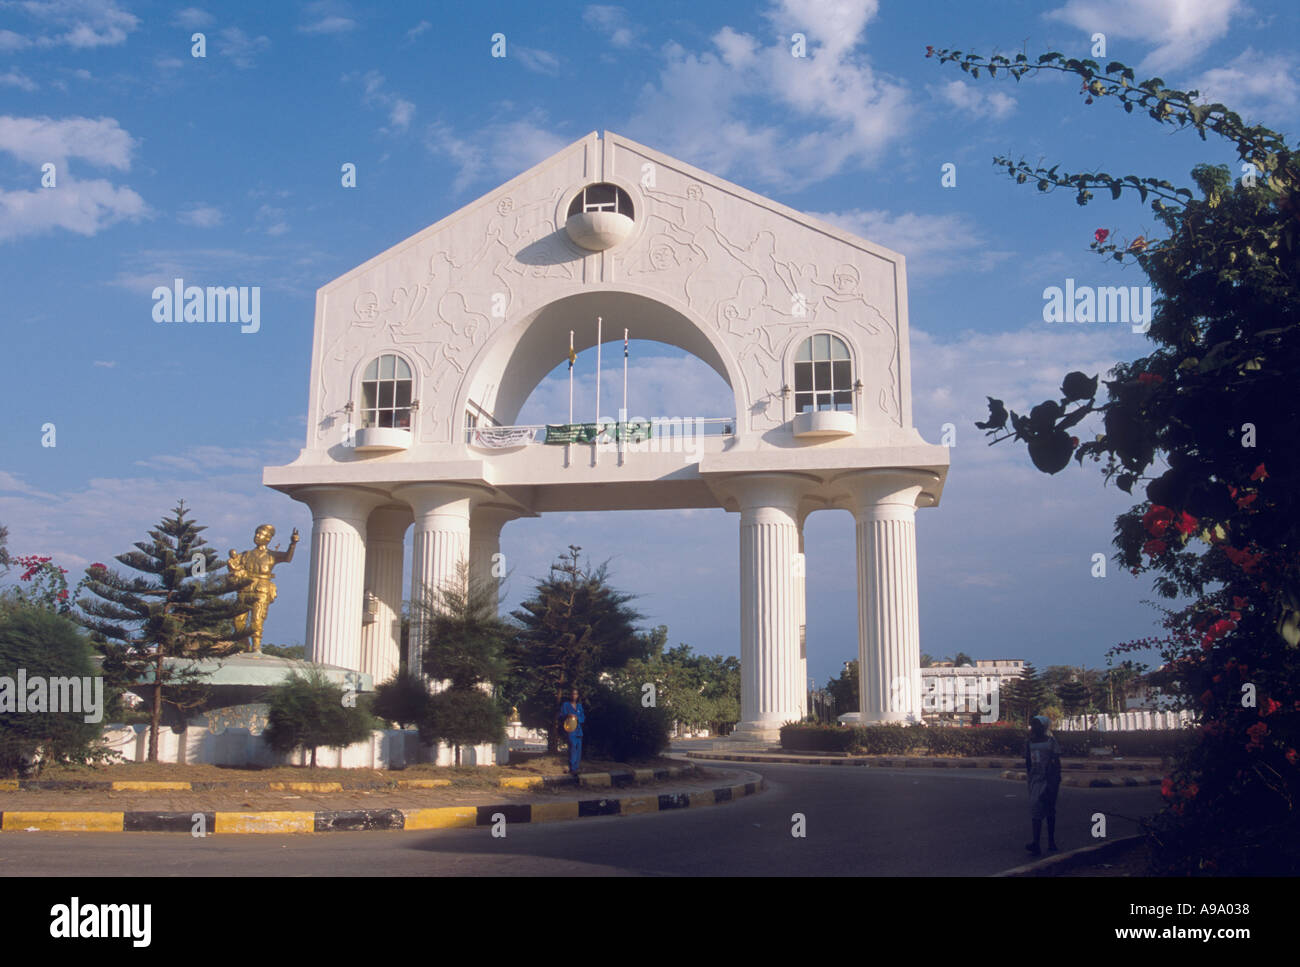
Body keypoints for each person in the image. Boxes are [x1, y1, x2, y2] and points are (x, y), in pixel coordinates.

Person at [1025, 714, 1062, 855]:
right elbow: (1028, 761)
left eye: (1037, 724)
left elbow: (1056, 762)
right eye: (1033, 724)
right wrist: (1030, 776)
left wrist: (1055, 780)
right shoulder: (1030, 742)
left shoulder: (1051, 741)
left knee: (1049, 810)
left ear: (1044, 726)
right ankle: (1036, 842)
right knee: (1035, 809)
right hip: (1035, 780)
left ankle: (1051, 841)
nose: (1034, 727)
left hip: (1049, 779)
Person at [559, 687, 585, 775]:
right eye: (572, 694)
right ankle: (572, 768)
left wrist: (579, 718)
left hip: (579, 730)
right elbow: (561, 716)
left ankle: (576, 767)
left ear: (578, 696)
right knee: (573, 747)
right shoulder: (565, 705)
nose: (574, 696)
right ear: (570, 695)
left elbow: (583, 717)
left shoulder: (579, 706)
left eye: (576, 694)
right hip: (570, 729)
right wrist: (567, 715)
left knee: (578, 748)